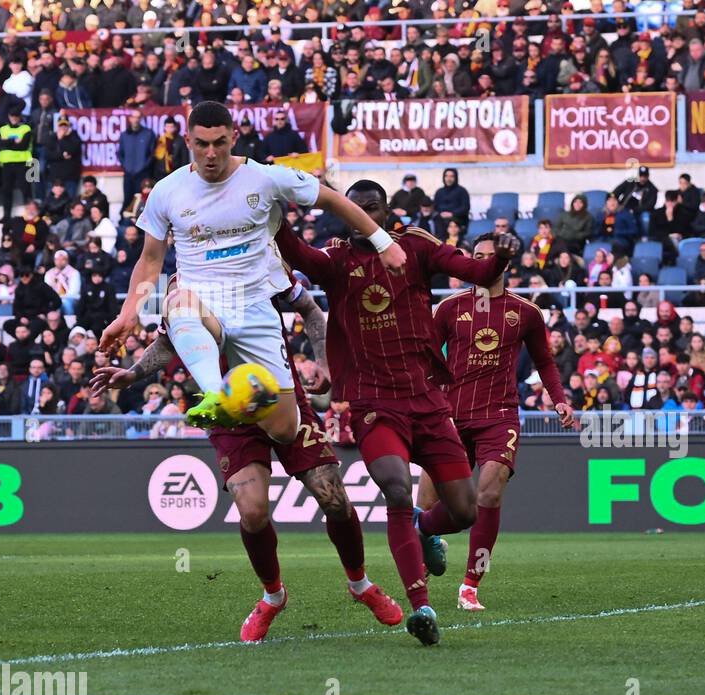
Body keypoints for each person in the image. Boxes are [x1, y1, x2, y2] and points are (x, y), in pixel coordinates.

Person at [90, 272, 404, 642]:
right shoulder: (183, 280)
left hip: (280, 396)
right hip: (227, 410)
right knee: (253, 512)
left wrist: (323, 362)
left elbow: (309, 308)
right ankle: (273, 596)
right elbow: (169, 340)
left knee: (332, 497)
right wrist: (133, 373)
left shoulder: (261, 259)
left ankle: (360, 584)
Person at [274, 180, 517, 646]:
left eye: (372, 208)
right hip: (372, 402)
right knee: (395, 488)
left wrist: (502, 256)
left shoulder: (417, 247)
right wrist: (270, 206)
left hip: (426, 398)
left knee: (465, 509)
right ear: (345, 211)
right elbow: (297, 254)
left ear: (387, 210)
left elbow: (476, 270)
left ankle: (428, 531)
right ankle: (420, 606)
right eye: (354, 208)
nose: (364, 215)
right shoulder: (337, 260)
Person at [97, 101, 408, 443]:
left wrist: (383, 242)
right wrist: (129, 315)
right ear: (188, 142)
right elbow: (151, 259)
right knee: (178, 299)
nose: (211, 153)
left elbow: (333, 200)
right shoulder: (166, 191)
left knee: (285, 431)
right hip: (202, 305)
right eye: (202, 144)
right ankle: (218, 394)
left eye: (219, 143)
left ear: (233, 137)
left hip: (255, 307)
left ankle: (242, 396)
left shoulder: (266, 177)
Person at [416, 234, 575, 612]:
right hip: (449, 417)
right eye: (477, 255)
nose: (484, 261)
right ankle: (419, 564)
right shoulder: (449, 309)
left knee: (489, 492)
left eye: (491, 255)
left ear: (505, 262)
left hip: (499, 416)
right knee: (426, 504)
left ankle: (470, 585)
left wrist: (560, 399)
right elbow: (424, 357)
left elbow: (545, 362)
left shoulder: (526, 313)